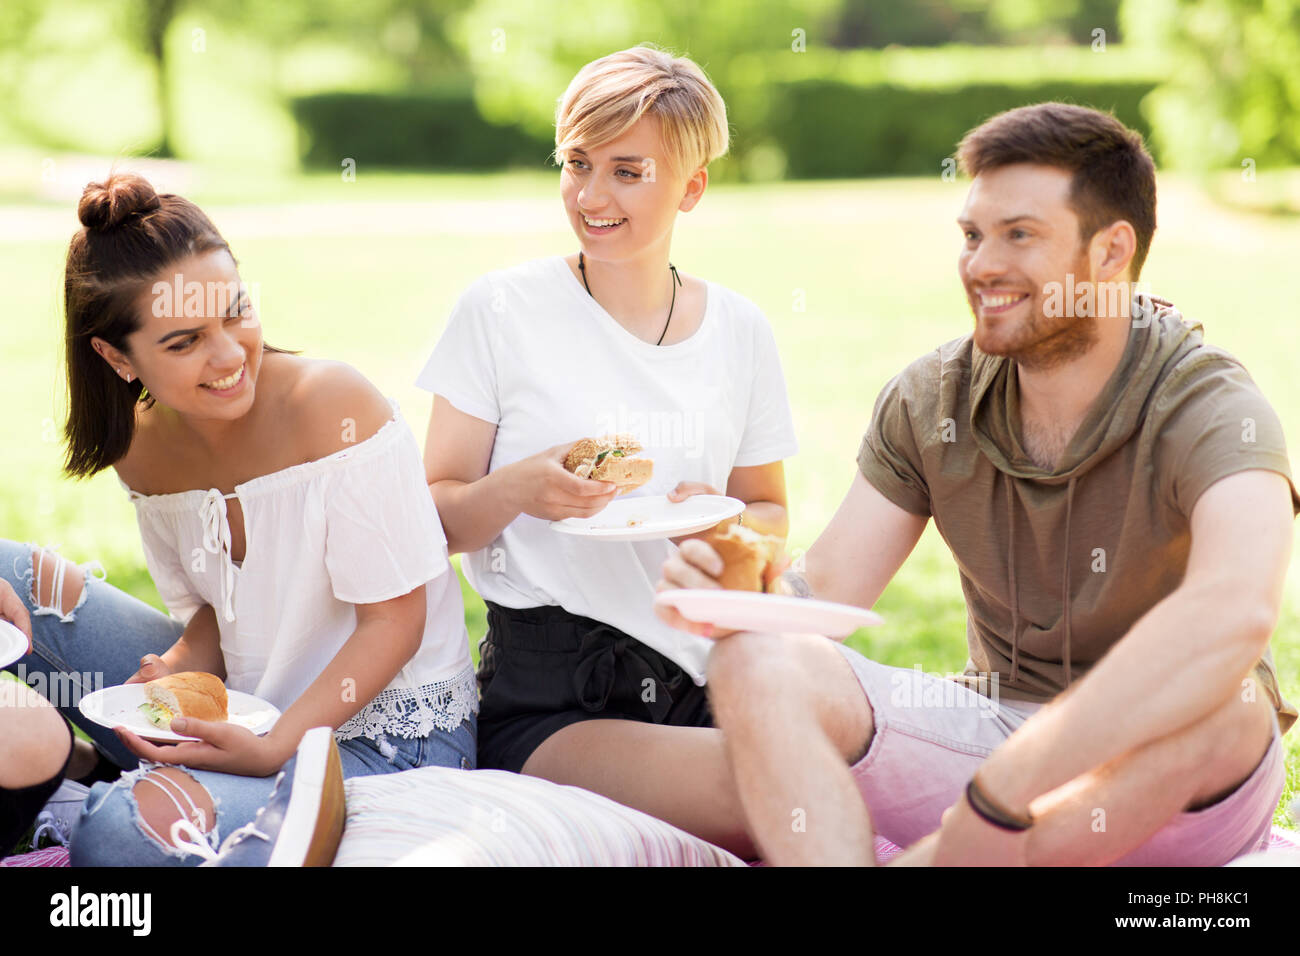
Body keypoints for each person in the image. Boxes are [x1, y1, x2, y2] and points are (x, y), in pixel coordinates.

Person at [660, 102, 1298, 866]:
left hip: (1165, 774)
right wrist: (747, 596)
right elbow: (827, 588)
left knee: (1230, 704)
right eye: (972, 235)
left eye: (1018, 235)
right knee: (754, 655)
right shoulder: (933, 399)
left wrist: (1002, 797)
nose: (980, 265)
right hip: (989, 734)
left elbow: (1234, 612)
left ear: (1111, 250)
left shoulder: (1210, 404)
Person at [420, 45, 797, 855]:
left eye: (628, 172)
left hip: (705, 673)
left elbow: (766, 509)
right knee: (771, 792)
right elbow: (431, 519)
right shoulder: (499, 310)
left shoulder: (740, 329)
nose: (591, 197)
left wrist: (722, 535)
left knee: (827, 760)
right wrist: (520, 489)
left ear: (691, 186)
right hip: (557, 694)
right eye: (577, 163)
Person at [47, 172, 477, 866]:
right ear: (116, 357)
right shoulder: (140, 447)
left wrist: (276, 747)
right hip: (251, 707)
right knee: (12, 581)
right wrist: (174, 671)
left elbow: (397, 622)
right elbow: (222, 613)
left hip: (386, 742)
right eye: (184, 342)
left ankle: (104, 800)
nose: (229, 355)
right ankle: (94, 771)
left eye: (237, 311)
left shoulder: (335, 407)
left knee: (116, 838)